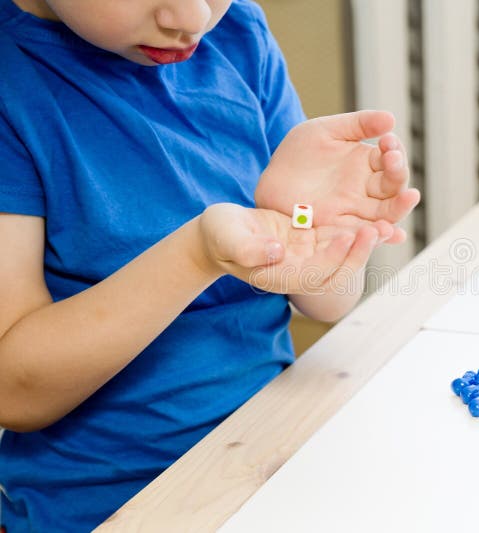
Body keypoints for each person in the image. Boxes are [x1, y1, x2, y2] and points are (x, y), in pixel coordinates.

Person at [0, 0, 420, 530]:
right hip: (110, 508)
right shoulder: (12, 86)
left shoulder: (239, 33)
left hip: (270, 462)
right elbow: (12, 391)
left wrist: (321, 233)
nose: (193, 18)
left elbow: (326, 302)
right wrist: (196, 256)